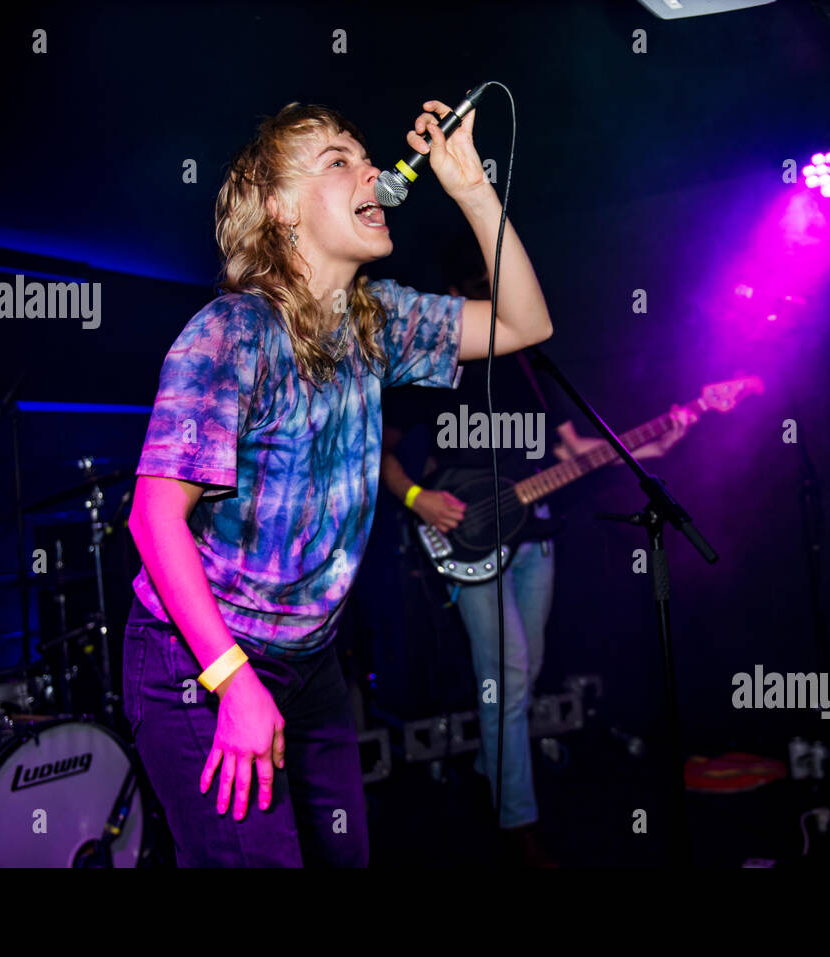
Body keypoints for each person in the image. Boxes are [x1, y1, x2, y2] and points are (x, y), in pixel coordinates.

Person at [123, 99, 552, 867]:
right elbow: (154, 519)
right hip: (200, 658)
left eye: (366, 156)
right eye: (339, 160)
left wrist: (474, 192)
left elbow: (524, 324)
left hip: (311, 660)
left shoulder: (373, 322)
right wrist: (234, 683)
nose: (377, 172)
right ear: (281, 211)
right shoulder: (230, 333)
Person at [380, 239, 695, 866]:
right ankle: (517, 825)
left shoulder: (526, 366)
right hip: (466, 541)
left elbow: (576, 451)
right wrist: (418, 498)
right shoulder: (431, 369)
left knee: (523, 676)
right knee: (508, 678)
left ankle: (490, 772)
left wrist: (652, 445)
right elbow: (378, 455)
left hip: (534, 540)